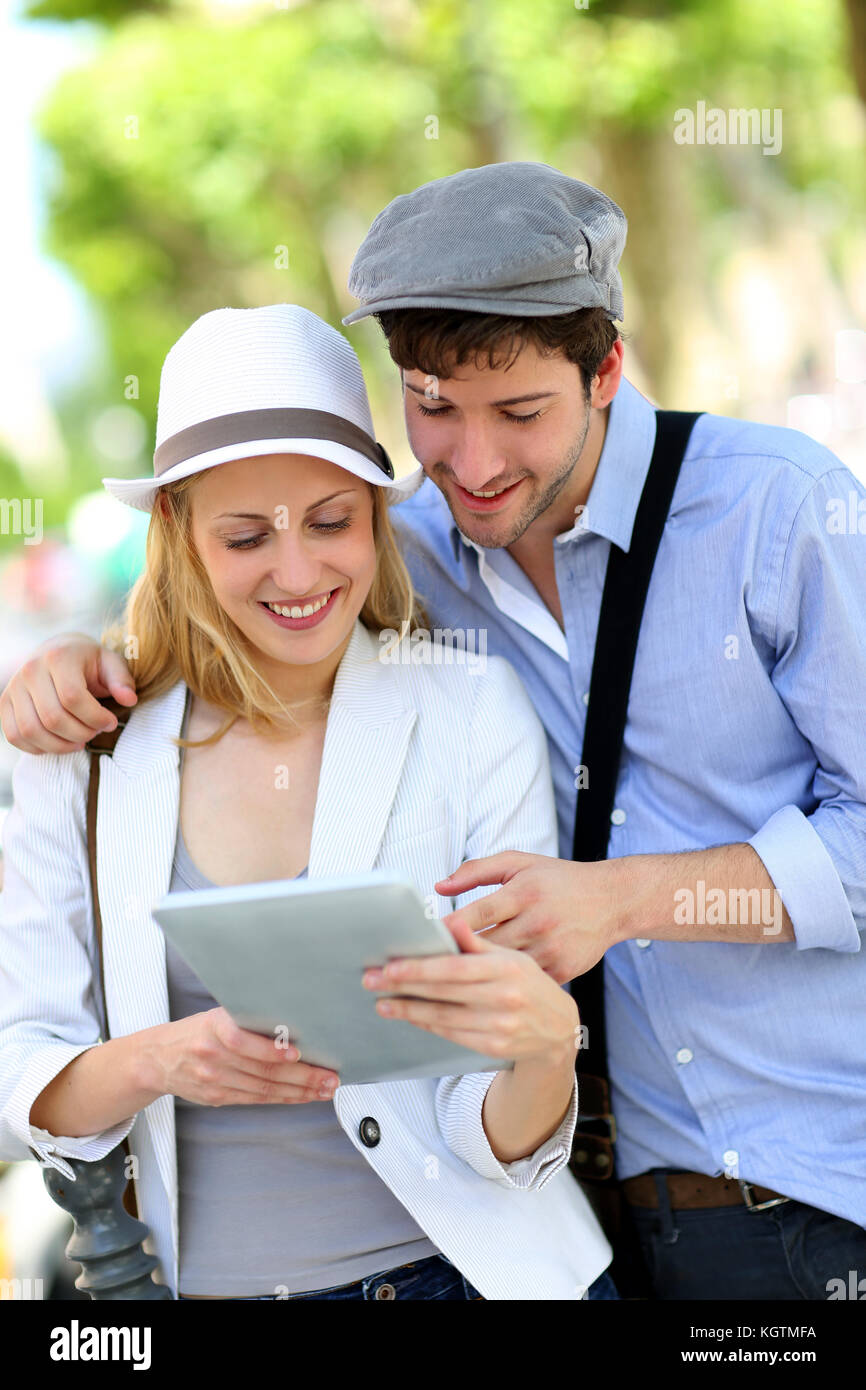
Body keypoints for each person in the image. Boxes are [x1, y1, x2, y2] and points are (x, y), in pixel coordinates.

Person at [9, 164, 866, 1302]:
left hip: (817, 1177)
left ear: (606, 368)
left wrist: (623, 898)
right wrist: (74, 668)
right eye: (430, 408)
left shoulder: (781, 510)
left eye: (518, 413)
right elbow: (238, 577)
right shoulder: (401, 549)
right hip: (618, 1208)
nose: (469, 463)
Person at [0, 302, 618, 1302]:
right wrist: (163, 1058)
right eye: (246, 536)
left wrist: (546, 1049)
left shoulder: (464, 708)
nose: (298, 572)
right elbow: (21, 1073)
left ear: (375, 513)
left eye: (331, 522)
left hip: (460, 1280)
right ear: (177, 530)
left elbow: (492, 1126)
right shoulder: (86, 745)